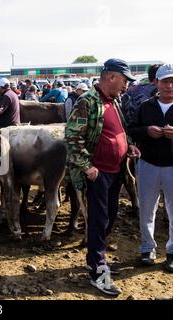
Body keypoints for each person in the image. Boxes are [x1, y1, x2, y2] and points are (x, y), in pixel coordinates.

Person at [66, 58, 141, 296]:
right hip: (98, 173)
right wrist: (87, 166)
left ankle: (96, 259)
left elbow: (119, 130)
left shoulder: (113, 101)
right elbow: (72, 137)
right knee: (99, 221)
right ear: (111, 77)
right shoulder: (87, 101)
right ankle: (98, 271)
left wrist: (128, 145)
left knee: (108, 217)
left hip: (115, 170)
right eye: (124, 80)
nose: (126, 85)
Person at [128, 64, 173, 273]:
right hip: (148, 164)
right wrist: (146, 131)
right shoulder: (146, 106)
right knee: (146, 209)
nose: (170, 85)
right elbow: (131, 130)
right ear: (156, 83)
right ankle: (147, 248)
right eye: (165, 81)